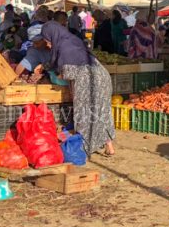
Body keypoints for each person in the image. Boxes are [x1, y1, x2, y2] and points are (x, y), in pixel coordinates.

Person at [40, 21, 115, 157]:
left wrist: (52, 76)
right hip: (102, 76)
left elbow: (68, 74)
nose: (47, 44)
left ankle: (84, 148)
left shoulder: (64, 47)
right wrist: (45, 67)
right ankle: (109, 147)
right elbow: (57, 62)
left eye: (47, 40)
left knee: (85, 114)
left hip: (89, 82)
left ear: (53, 35)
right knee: (102, 112)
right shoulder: (71, 40)